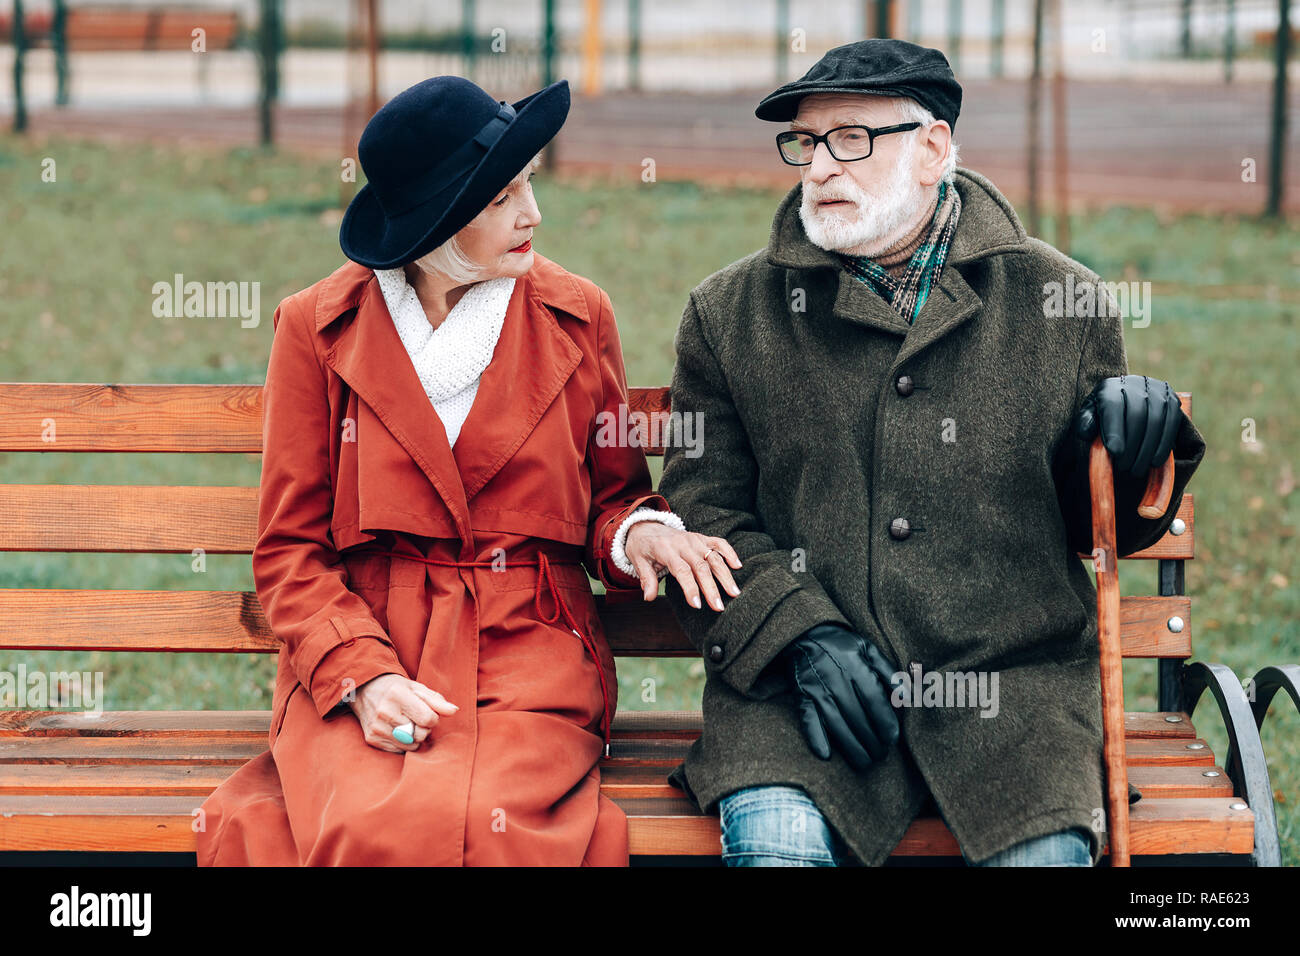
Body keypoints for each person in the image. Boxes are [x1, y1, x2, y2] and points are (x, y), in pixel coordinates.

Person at [657, 39, 1207, 867]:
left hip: (1012, 705)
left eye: (851, 138)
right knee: (776, 848)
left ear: (933, 149)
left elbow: (1099, 531)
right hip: (802, 701)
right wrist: (800, 636)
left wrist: (1137, 442)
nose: (818, 168)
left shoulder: (1064, 302)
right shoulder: (730, 314)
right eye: (807, 142)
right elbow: (706, 513)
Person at [195, 75, 738, 866]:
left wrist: (643, 536)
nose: (533, 214)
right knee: (364, 826)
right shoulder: (314, 328)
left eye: (530, 183)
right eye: (500, 197)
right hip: (373, 640)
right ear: (434, 223)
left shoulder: (578, 313)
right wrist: (362, 678)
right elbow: (291, 553)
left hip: (532, 647)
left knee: (497, 825)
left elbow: (612, 499)